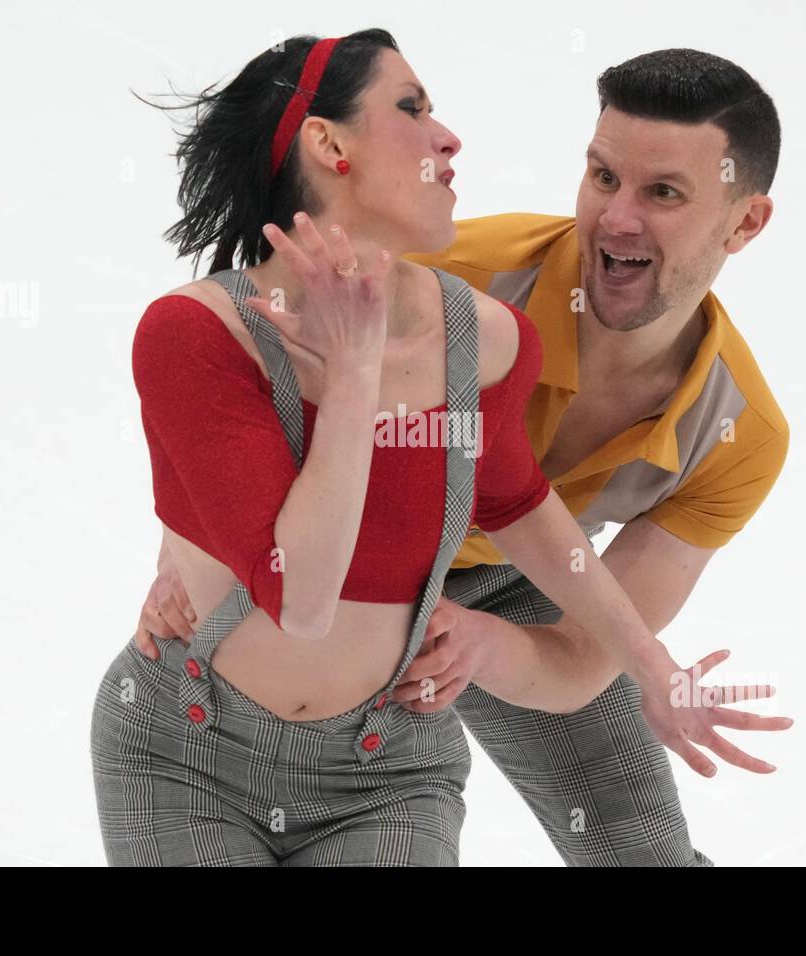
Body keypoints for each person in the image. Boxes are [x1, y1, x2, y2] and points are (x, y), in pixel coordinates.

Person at [92, 31, 759, 867]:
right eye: (413, 109)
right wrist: (185, 547)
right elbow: (293, 586)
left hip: (399, 740)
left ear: (745, 220)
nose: (449, 138)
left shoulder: (485, 335)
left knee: (645, 853)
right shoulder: (207, 327)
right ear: (328, 145)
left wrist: (653, 668)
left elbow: (518, 508)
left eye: (664, 191)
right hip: (190, 739)